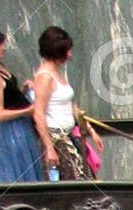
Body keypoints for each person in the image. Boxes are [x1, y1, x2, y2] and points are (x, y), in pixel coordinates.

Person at [32, 26, 99, 181]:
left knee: (84, 179)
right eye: (66, 51)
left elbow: (71, 105)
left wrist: (90, 129)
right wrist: (49, 148)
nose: (70, 55)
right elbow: (38, 113)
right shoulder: (45, 77)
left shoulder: (58, 72)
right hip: (57, 140)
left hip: (69, 136)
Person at [0, 26, 42, 183]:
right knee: (21, 170)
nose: (3, 48)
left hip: (22, 127)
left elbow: (8, 97)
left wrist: (22, 90)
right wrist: (27, 111)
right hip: (13, 130)